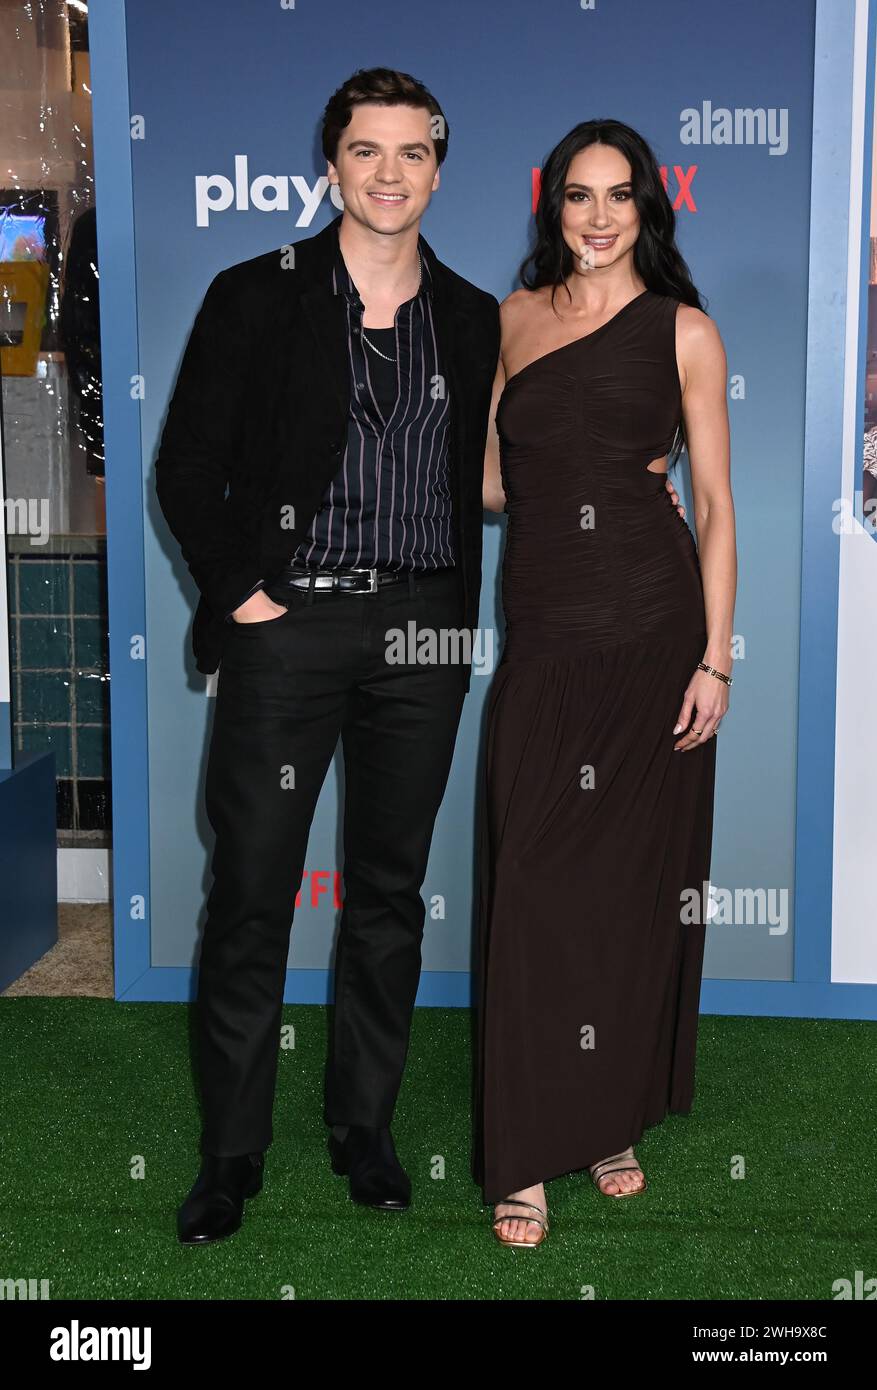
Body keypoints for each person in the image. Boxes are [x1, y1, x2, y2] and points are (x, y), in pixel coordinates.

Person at [155, 67, 502, 1243]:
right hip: (289, 624)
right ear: (331, 165)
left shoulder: (472, 314)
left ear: (439, 170)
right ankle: (229, 1151)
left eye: (412, 152)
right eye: (367, 151)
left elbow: (493, 478)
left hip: (427, 628)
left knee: (389, 893)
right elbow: (186, 468)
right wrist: (242, 593)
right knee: (252, 892)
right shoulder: (258, 295)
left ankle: (366, 1128)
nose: (390, 173)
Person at [475, 119, 736, 1247]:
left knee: (629, 889)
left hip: (648, 628)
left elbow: (718, 504)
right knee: (533, 883)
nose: (594, 216)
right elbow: (492, 484)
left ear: (646, 209)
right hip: (543, 633)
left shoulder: (685, 331)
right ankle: (524, 1150)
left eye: (616, 196)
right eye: (576, 196)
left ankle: (606, 1119)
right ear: (553, 208)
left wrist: (714, 655)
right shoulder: (513, 319)